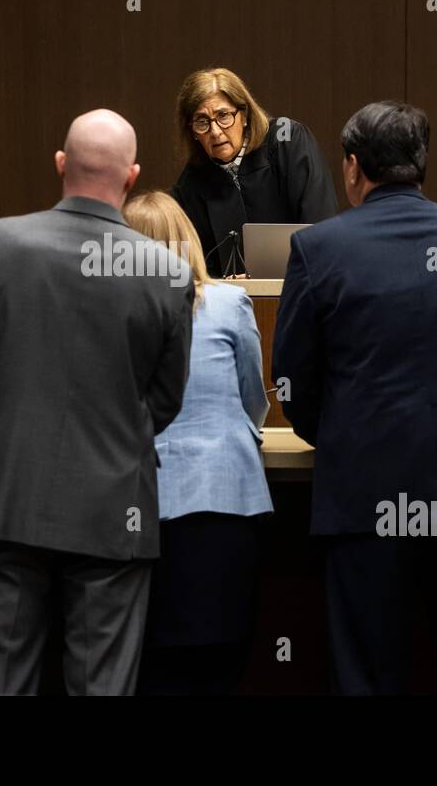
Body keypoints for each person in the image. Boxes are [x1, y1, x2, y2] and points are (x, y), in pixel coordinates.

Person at [273, 101, 437, 695]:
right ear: (422, 164)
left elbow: (292, 381)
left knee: (367, 675)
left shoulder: (318, 247)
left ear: (351, 167)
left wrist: (341, 430)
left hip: (365, 494)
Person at [0, 109, 195, 696]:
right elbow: (164, 400)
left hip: (6, 496)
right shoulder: (166, 270)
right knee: (101, 684)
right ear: (131, 177)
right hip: (114, 506)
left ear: (60, 164)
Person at [122, 190, 272, 695]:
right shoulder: (231, 303)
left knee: (148, 662)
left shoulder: (108, 319)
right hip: (225, 504)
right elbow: (254, 397)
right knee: (222, 658)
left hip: (136, 510)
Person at [170, 67, 337, 277]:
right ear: (192, 131)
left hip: (303, 288)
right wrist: (225, 285)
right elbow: (197, 265)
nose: (215, 131)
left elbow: (320, 225)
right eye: (202, 122)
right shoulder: (191, 184)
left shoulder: (287, 143)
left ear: (245, 115)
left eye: (223, 116)